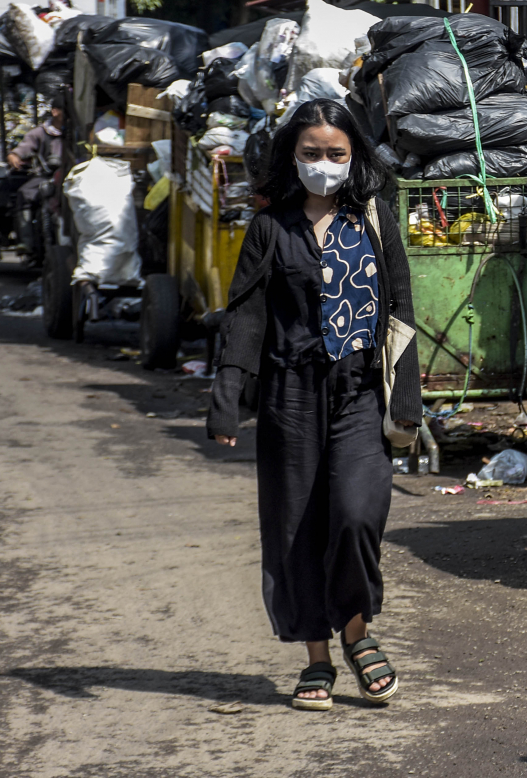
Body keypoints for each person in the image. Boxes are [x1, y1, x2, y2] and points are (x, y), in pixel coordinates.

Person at [206, 98, 422, 711]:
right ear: (291, 157)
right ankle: (317, 657)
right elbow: (246, 314)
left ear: (354, 156)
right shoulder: (272, 225)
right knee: (295, 527)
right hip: (289, 394)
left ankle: (356, 629)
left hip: (358, 392)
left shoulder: (375, 217)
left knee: (356, 513)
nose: (323, 164)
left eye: (335, 153)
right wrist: (227, 398)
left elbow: (400, 311)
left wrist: (405, 398)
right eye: (310, 154)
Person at [6, 98, 65, 248]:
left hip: (68, 176)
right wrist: (15, 155)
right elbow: (24, 148)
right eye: (65, 111)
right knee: (24, 193)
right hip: (45, 177)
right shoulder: (40, 132)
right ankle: (27, 242)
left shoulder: (73, 131)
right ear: (55, 111)